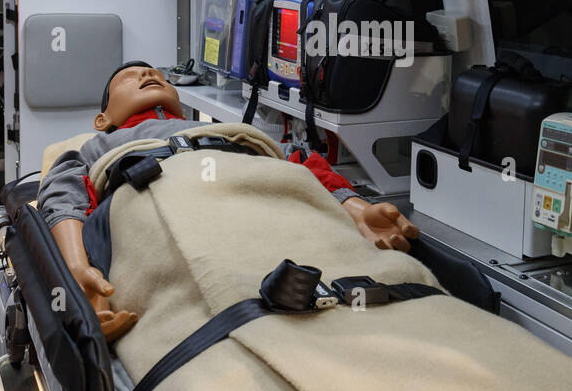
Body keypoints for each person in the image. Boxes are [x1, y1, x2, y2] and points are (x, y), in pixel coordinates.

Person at [38, 61, 421, 340]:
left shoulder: (225, 131)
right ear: (102, 120)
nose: (148, 74)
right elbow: (63, 194)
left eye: (157, 74)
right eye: (128, 77)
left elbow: (297, 163)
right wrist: (78, 268)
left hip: (260, 196)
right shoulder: (98, 146)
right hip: (165, 200)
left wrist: (354, 209)